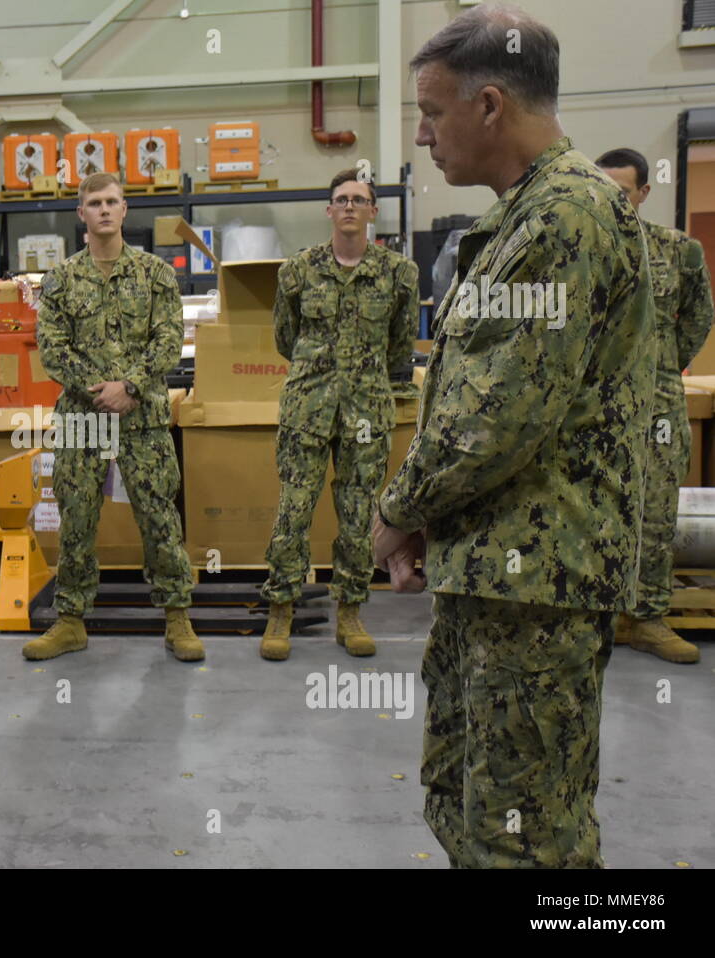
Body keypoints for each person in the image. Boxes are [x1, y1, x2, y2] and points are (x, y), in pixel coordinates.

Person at [374, 2, 655, 867]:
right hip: (498, 575)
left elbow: (498, 419)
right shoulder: (520, 219)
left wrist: (399, 510)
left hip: (536, 587)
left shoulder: (563, 218)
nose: (423, 136)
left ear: (489, 105)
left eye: (430, 112)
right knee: (469, 807)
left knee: (528, 840)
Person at [25, 171, 201, 662]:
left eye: (112, 202)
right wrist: (99, 391)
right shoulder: (60, 278)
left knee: (159, 515)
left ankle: (177, 617)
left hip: (141, 416)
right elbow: (52, 348)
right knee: (77, 517)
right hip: (84, 417)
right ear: (81, 214)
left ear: (125, 211)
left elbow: (169, 339)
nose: (104, 210)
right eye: (94, 203)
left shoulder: (155, 274)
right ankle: (70, 621)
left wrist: (131, 387)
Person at [259, 170, 419, 661]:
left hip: (366, 409)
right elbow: (285, 338)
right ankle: (280, 610)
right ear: (328, 211)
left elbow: (400, 342)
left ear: (373, 212)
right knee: (293, 512)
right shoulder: (298, 270)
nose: (350, 206)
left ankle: (350, 613)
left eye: (360, 200)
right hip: (307, 406)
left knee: (357, 516)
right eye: (341, 199)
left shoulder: (397, 273)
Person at [597, 147, 714, 664]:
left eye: (622, 193)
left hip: (658, 408)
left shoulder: (678, 250)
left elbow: (697, 319)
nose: (614, 203)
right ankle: (593, 615)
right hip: (593, 407)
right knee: (592, 509)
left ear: (644, 193)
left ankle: (648, 618)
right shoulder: (581, 251)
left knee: (656, 513)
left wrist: (662, 366)